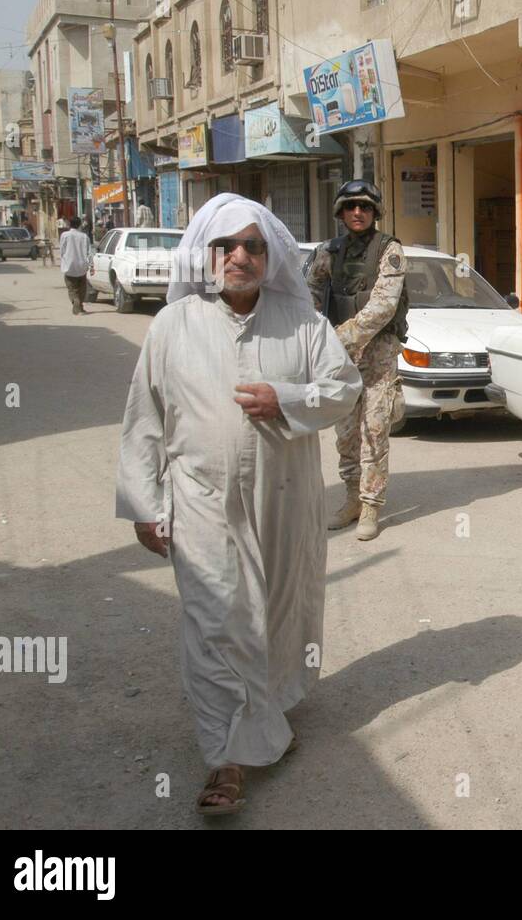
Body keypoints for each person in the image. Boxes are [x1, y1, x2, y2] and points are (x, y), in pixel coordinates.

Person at [115, 193, 363, 816]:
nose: (240, 257)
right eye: (226, 246)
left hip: (285, 501)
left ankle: (268, 717)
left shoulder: (301, 322)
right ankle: (227, 759)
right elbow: (144, 419)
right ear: (207, 254)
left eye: (253, 246)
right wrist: (145, 501)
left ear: (269, 254)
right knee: (218, 620)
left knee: (280, 614)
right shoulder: (173, 326)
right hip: (200, 501)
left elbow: (344, 390)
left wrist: (285, 398)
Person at [306, 179, 409, 541]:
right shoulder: (328, 251)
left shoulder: (389, 250)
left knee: (375, 429)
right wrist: (314, 335)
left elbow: (383, 306)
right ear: (341, 212)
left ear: (374, 212)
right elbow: (311, 295)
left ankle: (370, 504)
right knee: (346, 432)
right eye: (351, 207)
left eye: (365, 207)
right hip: (340, 358)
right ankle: (351, 497)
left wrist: (337, 339)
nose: (358, 212)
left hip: (378, 354)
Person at [59, 216, 93, 315]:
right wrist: (91, 265)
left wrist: (64, 260)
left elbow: (62, 250)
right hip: (81, 267)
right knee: (82, 288)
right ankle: (80, 306)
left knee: (72, 288)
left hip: (69, 266)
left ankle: (76, 302)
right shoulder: (84, 236)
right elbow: (89, 252)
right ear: (79, 225)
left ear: (69, 224)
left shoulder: (65, 235)